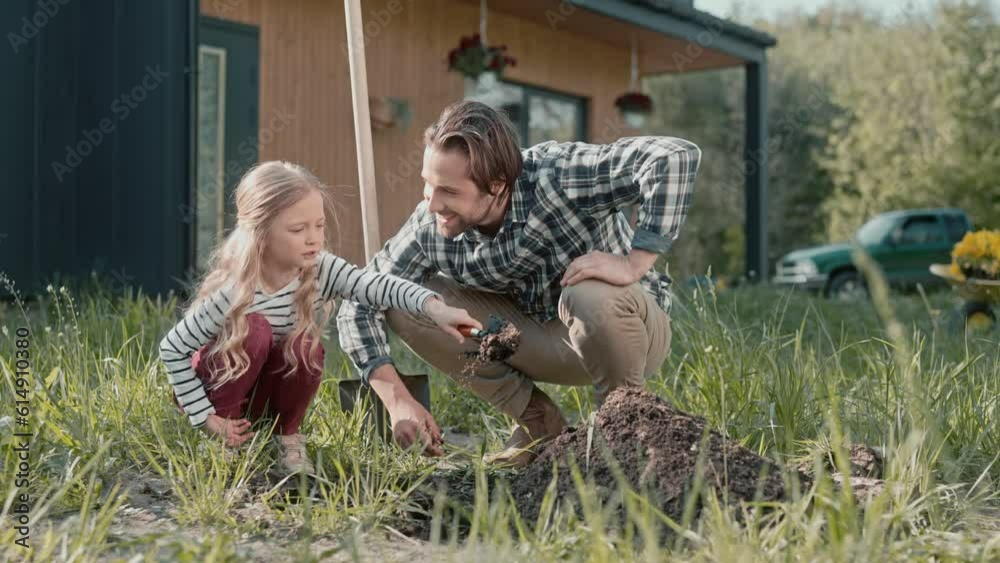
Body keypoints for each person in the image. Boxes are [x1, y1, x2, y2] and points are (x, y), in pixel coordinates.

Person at [337, 100, 701, 466]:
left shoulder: (559, 175)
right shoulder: (429, 227)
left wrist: (634, 263)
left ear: (496, 185)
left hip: (624, 332)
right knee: (405, 300)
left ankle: (622, 428)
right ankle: (537, 423)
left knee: (588, 292)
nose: (432, 204)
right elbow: (359, 299)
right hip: (535, 339)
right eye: (427, 185)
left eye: (448, 191)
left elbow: (673, 156)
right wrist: (398, 399)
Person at [159, 161, 480, 475]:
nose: (314, 238)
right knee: (255, 330)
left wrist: (434, 307)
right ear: (261, 233)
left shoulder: (320, 268)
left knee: (306, 345)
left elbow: (373, 285)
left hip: (262, 398)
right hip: (219, 395)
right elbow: (172, 349)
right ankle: (221, 443)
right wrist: (205, 418)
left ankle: (286, 438)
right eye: (299, 229)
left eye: (320, 225)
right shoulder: (235, 292)